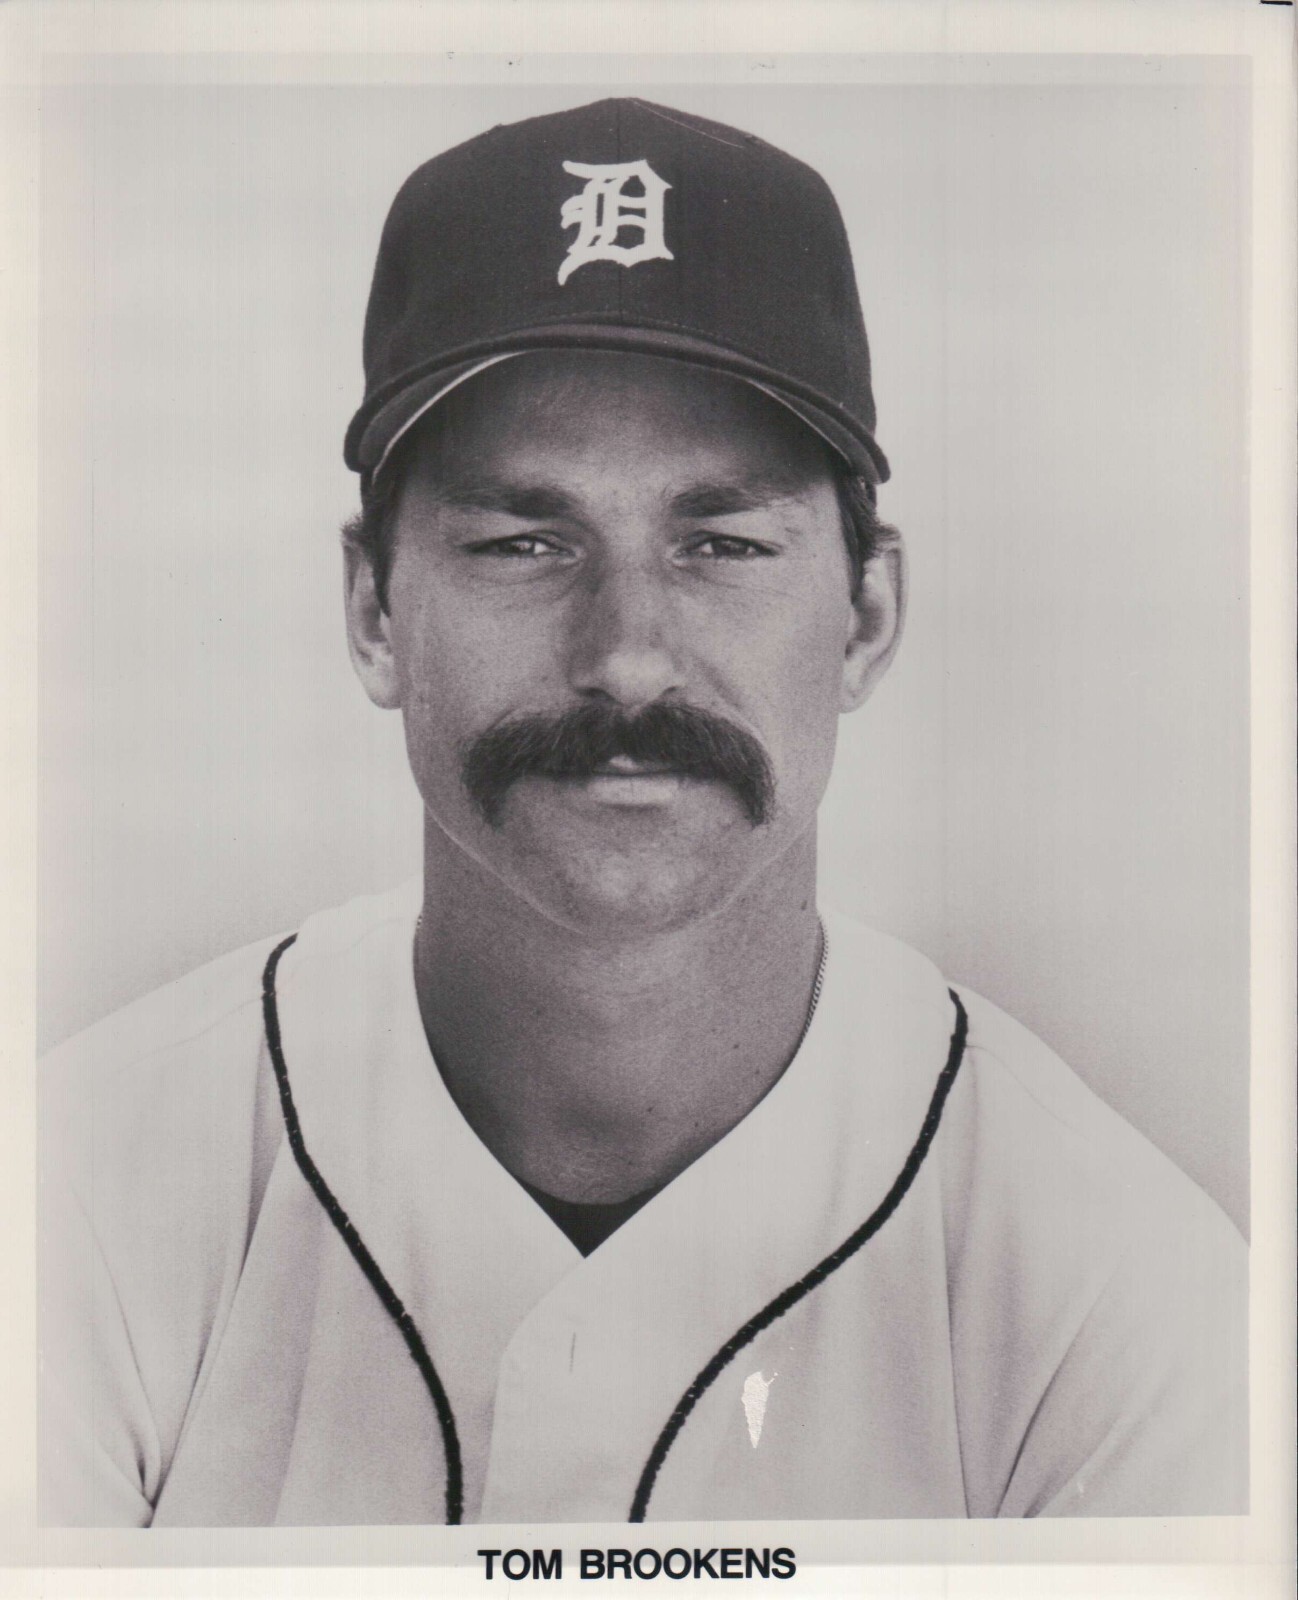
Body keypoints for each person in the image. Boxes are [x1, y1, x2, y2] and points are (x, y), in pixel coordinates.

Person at [39, 97, 1246, 1528]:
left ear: (865, 618)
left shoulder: (1122, 1295)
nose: (625, 656)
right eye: (522, 543)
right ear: (373, 610)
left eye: (721, 544)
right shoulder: (76, 1198)